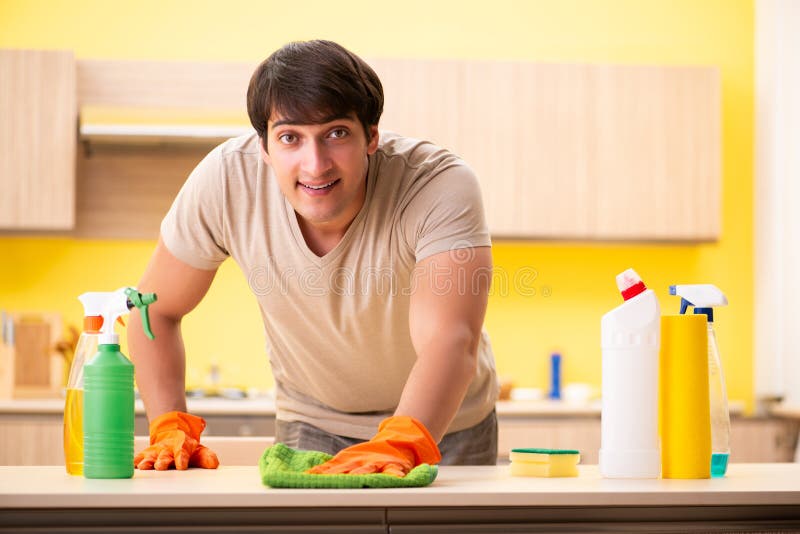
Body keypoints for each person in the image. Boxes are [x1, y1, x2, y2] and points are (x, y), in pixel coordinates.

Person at [129, 40, 499, 475]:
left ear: (371, 137)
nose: (315, 163)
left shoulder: (437, 184)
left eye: (336, 133)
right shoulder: (227, 181)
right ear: (264, 148)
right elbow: (151, 310)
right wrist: (168, 424)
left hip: (443, 427)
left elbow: (450, 340)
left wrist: (402, 443)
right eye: (290, 138)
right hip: (312, 422)